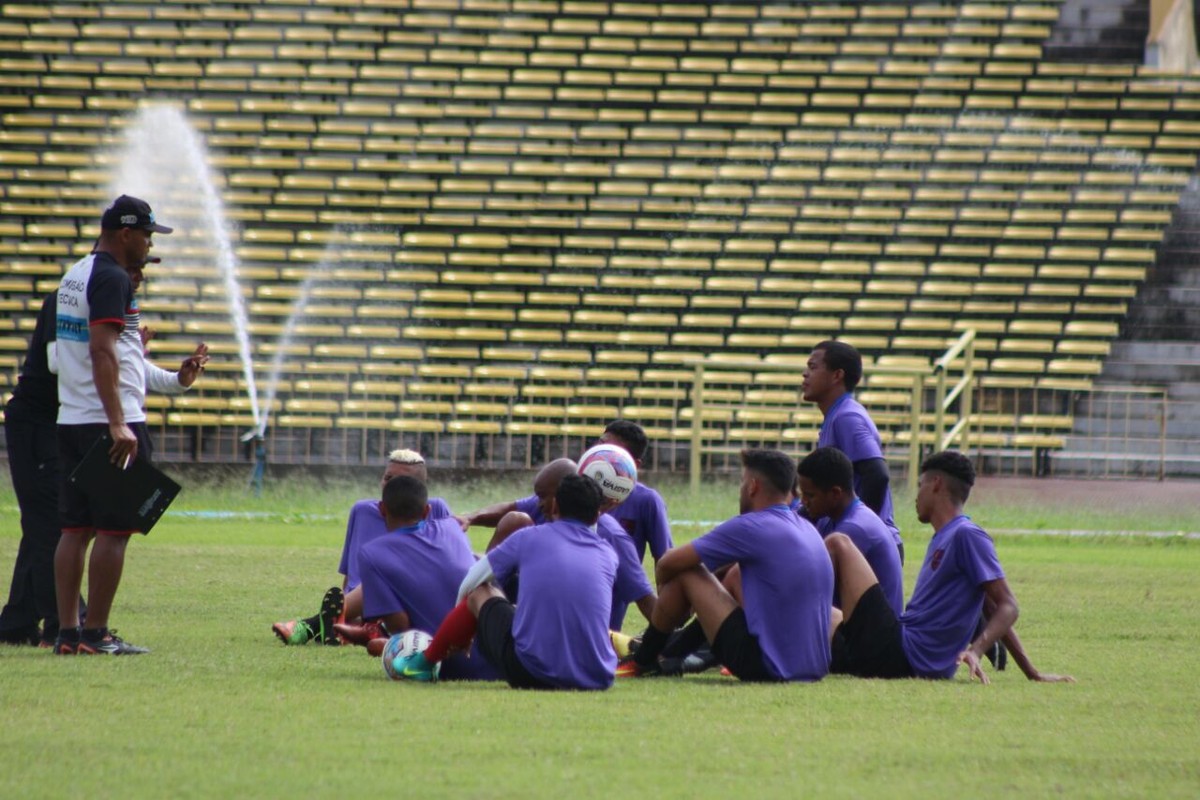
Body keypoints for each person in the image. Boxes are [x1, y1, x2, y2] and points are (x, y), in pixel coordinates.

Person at [52, 195, 209, 655]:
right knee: (115, 531)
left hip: (74, 417)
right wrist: (119, 423)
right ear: (126, 233)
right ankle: (96, 633)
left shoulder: (76, 273)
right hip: (109, 422)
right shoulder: (112, 278)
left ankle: (67, 634)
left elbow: (108, 355)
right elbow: (102, 351)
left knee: (74, 529)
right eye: (145, 235)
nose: (147, 245)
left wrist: (173, 376)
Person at [825, 450, 1074, 684]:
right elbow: (989, 604)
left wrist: (976, 651)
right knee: (828, 616)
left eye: (921, 485)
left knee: (838, 543)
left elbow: (1008, 605)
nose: (916, 495)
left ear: (936, 484)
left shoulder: (967, 535)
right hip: (899, 651)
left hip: (903, 655)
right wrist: (1031, 672)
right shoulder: (945, 535)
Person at [620, 449, 833, 683]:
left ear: (752, 486)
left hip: (767, 667)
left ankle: (643, 660)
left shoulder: (752, 526)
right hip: (814, 667)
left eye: (742, 483)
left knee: (689, 572)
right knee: (732, 575)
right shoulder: (807, 529)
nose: (741, 490)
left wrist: (671, 593)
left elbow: (669, 563)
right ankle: (669, 654)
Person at [392, 474, 618, 690]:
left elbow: (471, 581)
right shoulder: (609, 554)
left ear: (555, 506)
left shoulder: (528, 537)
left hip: (533, 673)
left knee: (480, 592)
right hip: (597, 677)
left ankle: (424, 662)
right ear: (598, 515)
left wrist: (463, 629)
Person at [271, 448, 452, 645]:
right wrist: (344, 605)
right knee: (372, 589)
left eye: (399, 481)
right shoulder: (363, 511)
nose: (390, 486)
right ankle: (344, 624)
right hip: (362, 606)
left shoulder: (435, 509)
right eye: (387, 478)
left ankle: (314, 625)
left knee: (386, 579)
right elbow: (351, 573)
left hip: (402, 605)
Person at [455, 419, 674, 565]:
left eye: (613, 453)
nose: (601, 455)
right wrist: (470, 517)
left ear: (634, 464)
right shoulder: (573, 486)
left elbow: (664, 560)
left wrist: (663, 626)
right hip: (552, 581)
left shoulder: (646, 502)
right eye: (600, 445)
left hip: (605, 598)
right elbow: (515, 507)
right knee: (514, 521)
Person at [350, 475, 497, 680]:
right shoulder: (452, 528)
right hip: (497, 660)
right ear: (427, 510)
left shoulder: (371, 553)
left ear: (382, 509)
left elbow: (400, 626)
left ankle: (346, 625)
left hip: (446, 667)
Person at [486, 458, 656, 631]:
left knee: (481, 592)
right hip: (557, 632)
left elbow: (645, 599)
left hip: (562, 637)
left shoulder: (612, 538)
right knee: (513, 523)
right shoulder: (548, 520)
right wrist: (469, 518)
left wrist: (664, 642)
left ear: (560, 498)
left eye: (543, 496)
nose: (539, 504)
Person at [0, 294, 79, 646]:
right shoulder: (71, 297)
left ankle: (17, 622)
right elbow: (57, 361)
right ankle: (66, 621)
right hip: (38, 423)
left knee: (41, 524)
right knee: (51, 523)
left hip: (49, 422)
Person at [801, 340, 903, 562]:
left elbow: (877, 474)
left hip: (867, 546)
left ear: (837, 375)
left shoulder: (847, 417)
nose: (804, 374)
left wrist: (862, 531)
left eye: (812, 367)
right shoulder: (836, 416)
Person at [796, 447, 904, 616]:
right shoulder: (830, 518)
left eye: (810, 496)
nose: (803, 502)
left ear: (835, 493)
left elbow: (813, 586)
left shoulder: (854, 530)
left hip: (876, 635)